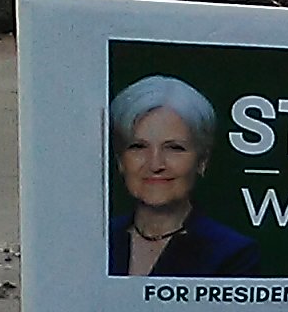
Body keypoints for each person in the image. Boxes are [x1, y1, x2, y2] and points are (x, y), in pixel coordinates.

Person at [108, 75, 260, 278]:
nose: (155, 164)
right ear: (120, 160)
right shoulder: (95, 239)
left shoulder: (232, 254)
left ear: (202, 161)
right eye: (138, 147)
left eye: (174, 148)